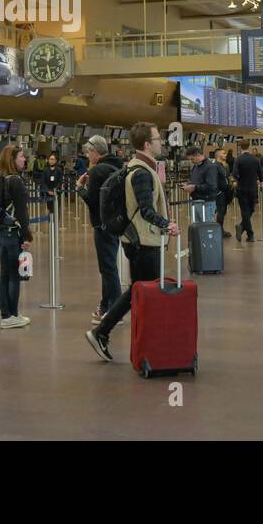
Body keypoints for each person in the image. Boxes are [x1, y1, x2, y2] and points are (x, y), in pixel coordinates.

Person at [85, 122, 180, 362]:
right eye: (158, 139)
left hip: (142, 241)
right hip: (143, 243)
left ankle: (107, 332)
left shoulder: (142, 168)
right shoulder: (141, 173)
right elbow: (146, 209)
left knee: (138, 291)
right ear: (147, 144)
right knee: (141, 292)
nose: (162, 142)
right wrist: (167, 224)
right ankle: (102, 332)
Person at [78, 135, 123, 324]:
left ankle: (115, 311)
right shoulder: (118, 166)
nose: (87, 156)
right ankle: (105, 306)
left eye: (88, 152)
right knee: (109, 266)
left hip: (101, 225)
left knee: (108, 268)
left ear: (95, 151)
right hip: (116, 223)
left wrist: (80, 187)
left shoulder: (97, 171)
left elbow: (92, 201)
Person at [0, 145, 34, 329]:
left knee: (4, 275)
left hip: (1, 231)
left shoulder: (0, 179)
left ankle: (5, 314)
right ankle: (12, 315)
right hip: (13, 232)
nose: (24, 160)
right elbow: (22, 212)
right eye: (22, 157)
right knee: (14, 275)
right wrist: (27, 235)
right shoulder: (16, 181)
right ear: (13, 160)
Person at [233, 145, 263, 243]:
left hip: (242, 188)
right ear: (249, 147)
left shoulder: (238, 160)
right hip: (253, 188)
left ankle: (243, 229)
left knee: (245, 211)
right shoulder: (255, 159)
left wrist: (238, 179)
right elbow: (260, 172)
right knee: (251, 209)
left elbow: (234, 173)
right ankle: (249, 233)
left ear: (241, 148)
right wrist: (261, 181)